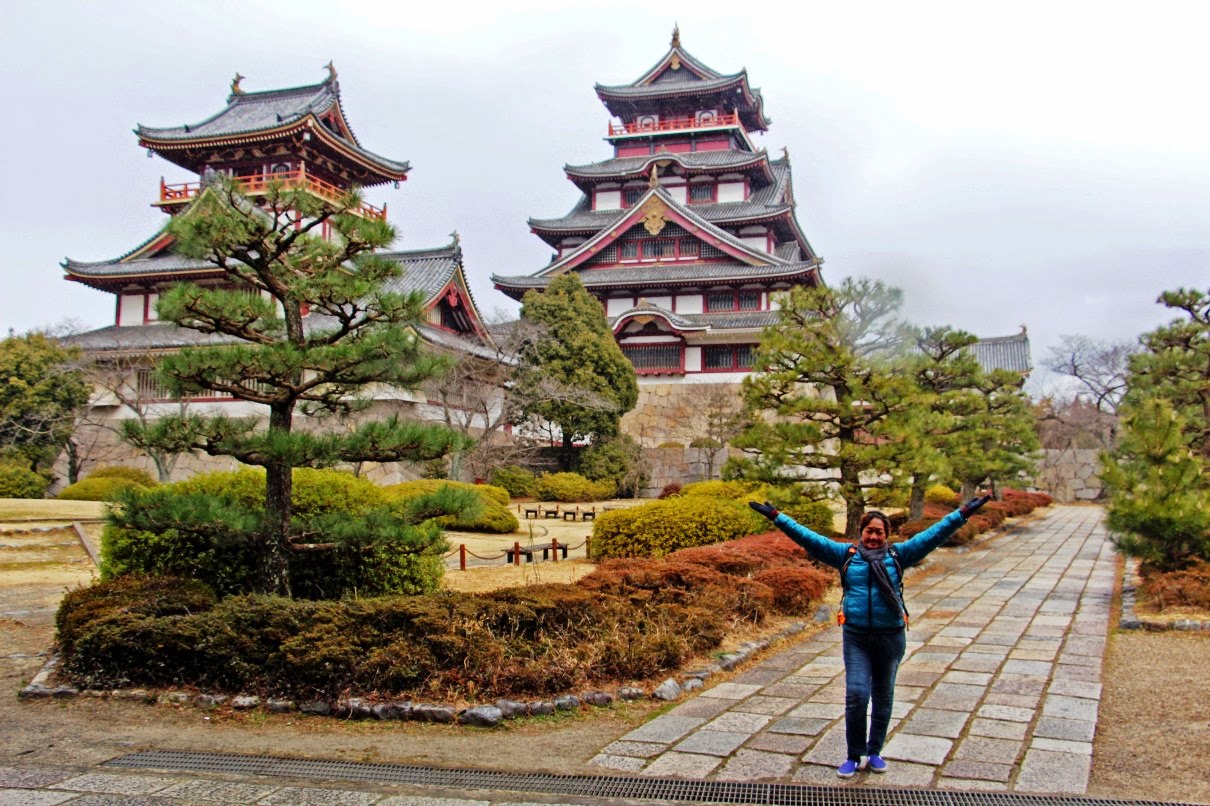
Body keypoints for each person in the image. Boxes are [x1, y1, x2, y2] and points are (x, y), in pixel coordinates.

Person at [749, 495, 991, 778]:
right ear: (861, 533)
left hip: (890, 637)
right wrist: (777, 516)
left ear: (886, 535)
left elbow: (933, 535)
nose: (874, 536)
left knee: (883, 696)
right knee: (856, 694)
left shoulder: (899, 556)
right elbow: (810, 538)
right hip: (857, 637)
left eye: (879, 532)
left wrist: (962, 513)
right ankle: (854, 754)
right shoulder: (846, 556)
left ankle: (874, 751)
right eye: (869, 531)